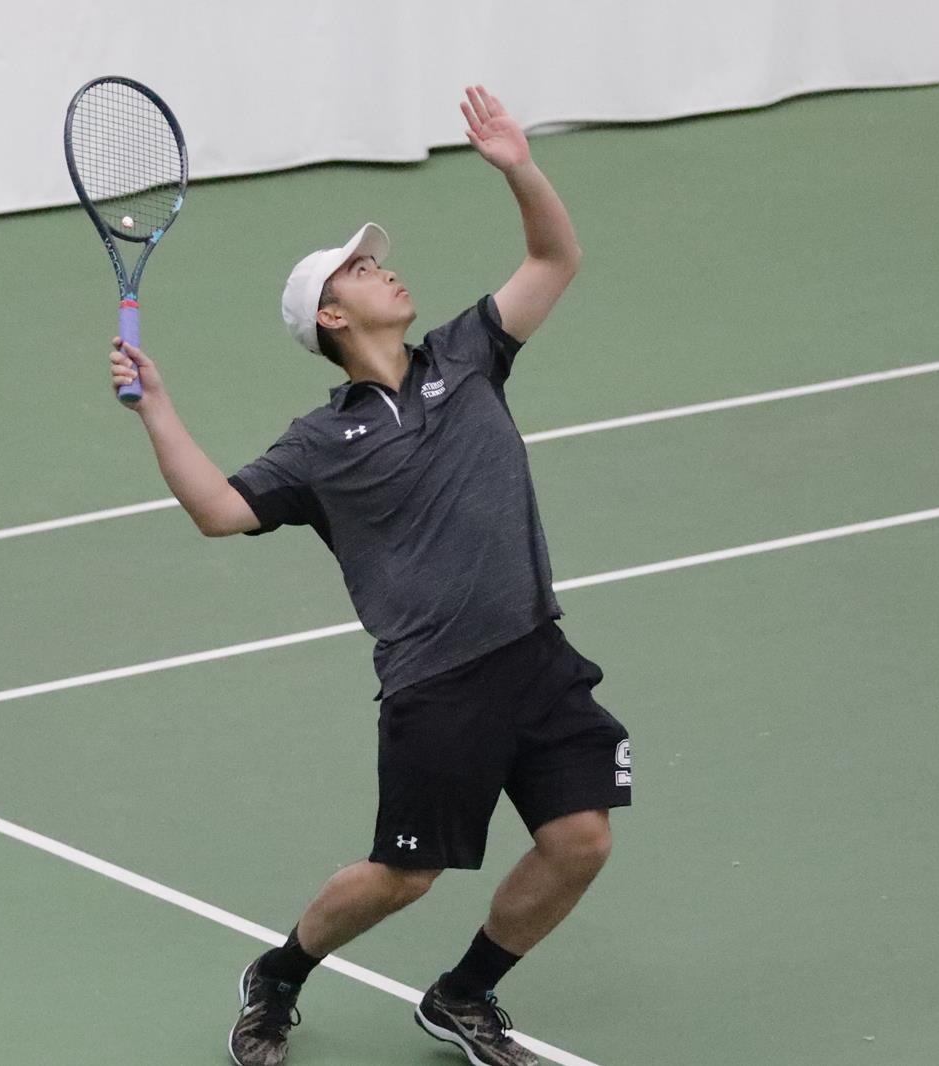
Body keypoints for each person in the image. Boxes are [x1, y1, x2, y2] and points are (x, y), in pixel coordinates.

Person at [107, 85, 631, 1066]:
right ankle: (279, 975)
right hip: (437, 684)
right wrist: (157, 409)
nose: (384, 270)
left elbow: (554, 259)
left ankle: (462, 996)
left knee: (581, 839)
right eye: (361, 267)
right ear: (333, 314)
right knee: (405, 875)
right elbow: (220, 510)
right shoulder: (319, 445)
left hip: (535, 650)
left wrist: (518, 164)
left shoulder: (467, 357)